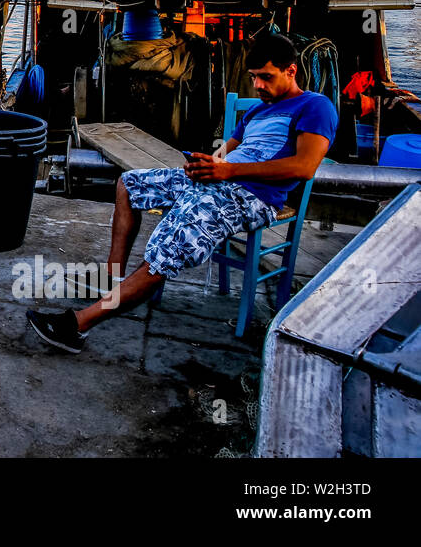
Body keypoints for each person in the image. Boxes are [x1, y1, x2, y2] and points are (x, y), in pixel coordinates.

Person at [26, 33, 337, 354]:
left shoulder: (315, 106)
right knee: (129, 183)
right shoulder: (256, 112)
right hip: (220, 180)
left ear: (291, 71)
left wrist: (227, 171)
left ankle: (77, 326)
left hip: (254, 196)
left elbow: (303, 167)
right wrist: (204, 164)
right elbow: (224, 153)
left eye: (266, 78)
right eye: (254, 78)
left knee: (166, 246)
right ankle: (112, 277)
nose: (258, 86)